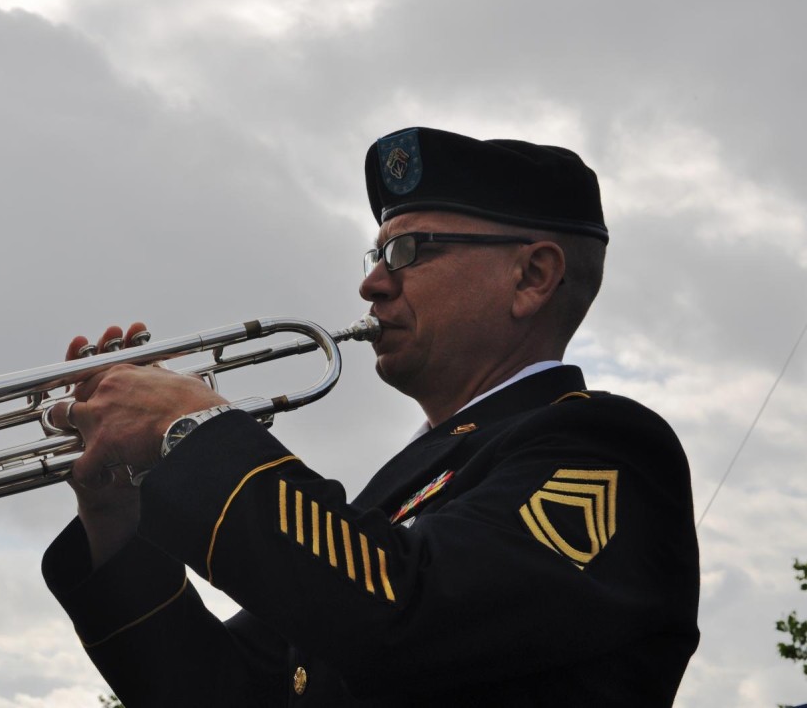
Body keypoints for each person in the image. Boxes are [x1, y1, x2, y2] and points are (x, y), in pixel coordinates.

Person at [41, 127, 700, 706]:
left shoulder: (609, 451)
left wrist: (196, 428)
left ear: (531, 276)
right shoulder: (404, 492)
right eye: (378, 254)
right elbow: (217, 689)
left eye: (411, 251)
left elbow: (406, 616)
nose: (374, 282)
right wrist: (117, 510)